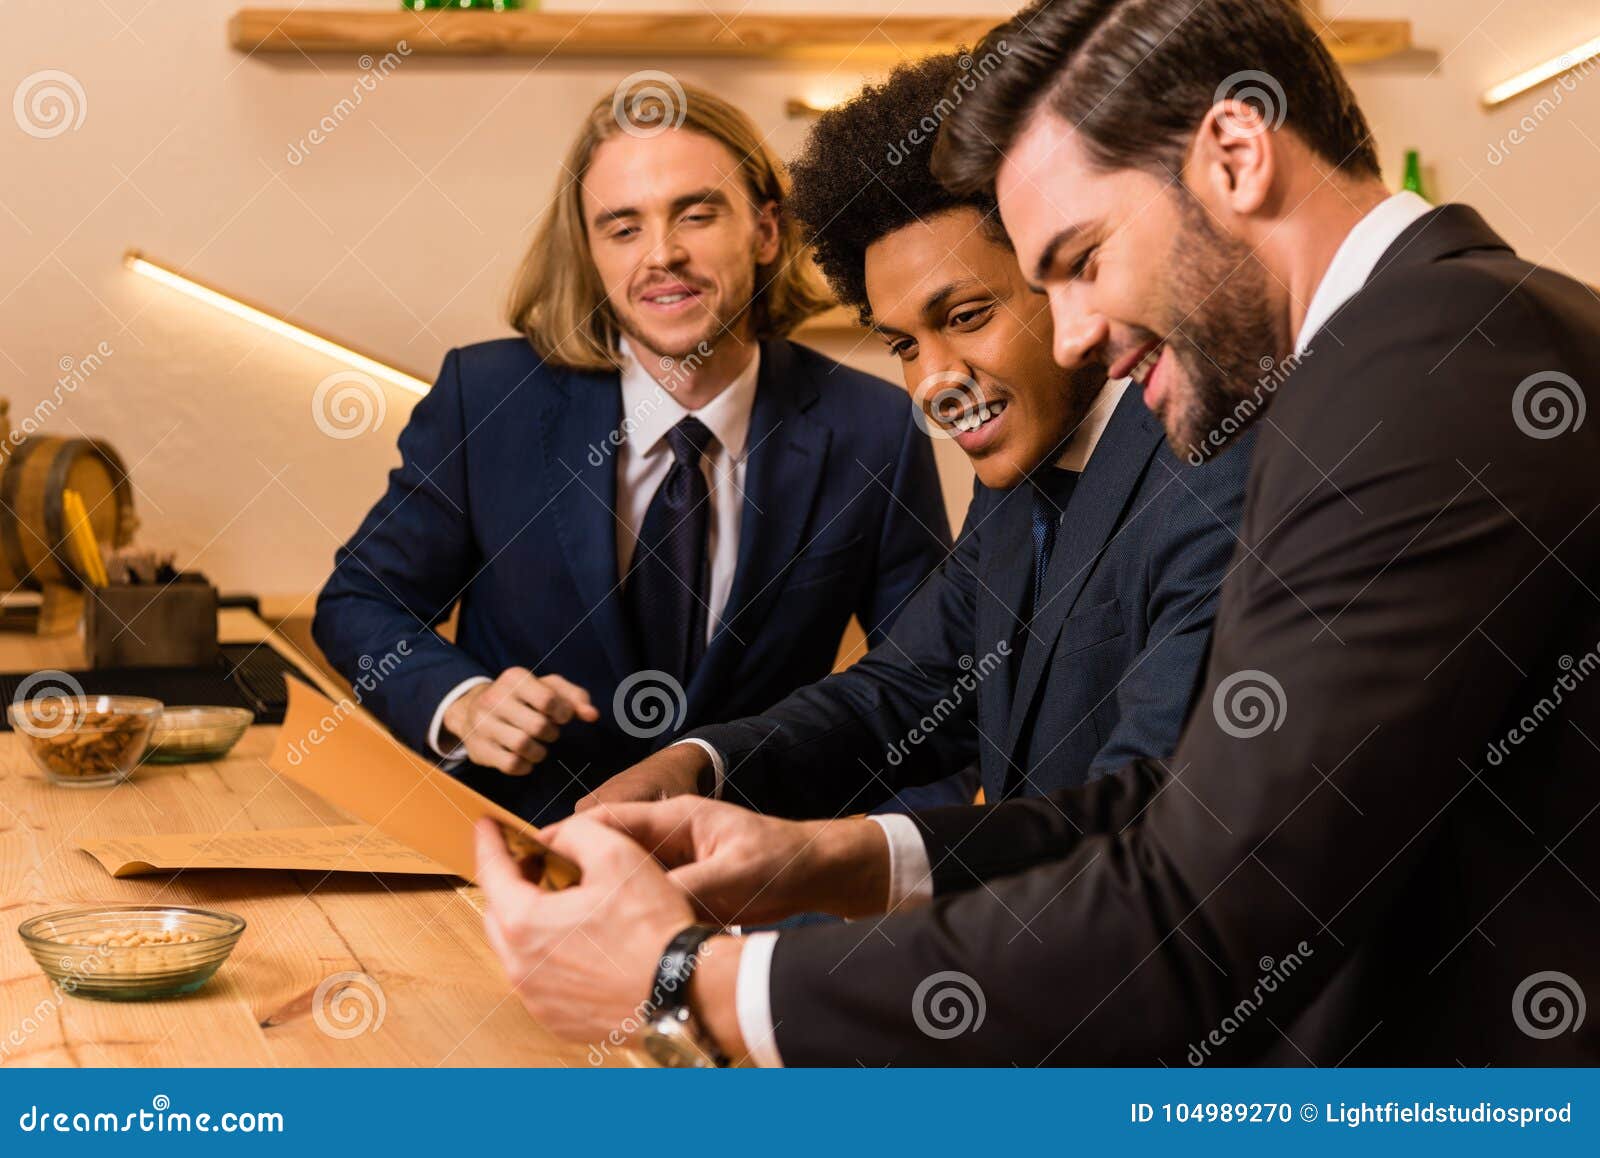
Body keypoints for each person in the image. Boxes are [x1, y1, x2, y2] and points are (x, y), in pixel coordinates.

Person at [474, 0, 1599, 1066]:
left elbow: (1197, 909)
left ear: (1235, 154)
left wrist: (692, 984)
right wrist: (826, 856)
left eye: (1080, 260)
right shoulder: (1417, 345)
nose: (1072, 335)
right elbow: (1176, 816)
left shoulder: (1432, 349)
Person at [583, 53, 1251, 819]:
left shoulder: (1213, 462)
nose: (935, 383)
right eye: (903, 345)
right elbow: (906, 690)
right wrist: (700, 766)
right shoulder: (1016, 479)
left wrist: (833, 867)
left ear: (1065, 271)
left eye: (965, 318)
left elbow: (1145, 825)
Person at [313, 81, 950, 824]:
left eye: (697, 214)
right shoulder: (487, 400)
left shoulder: (873, 427)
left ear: (767, 231)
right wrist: (465, 703)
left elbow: (931, 683)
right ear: (590, 254)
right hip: (515, 870)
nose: (662, 256)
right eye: (622, 229)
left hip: (759, 887)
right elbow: (361, 603)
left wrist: (868, 876)